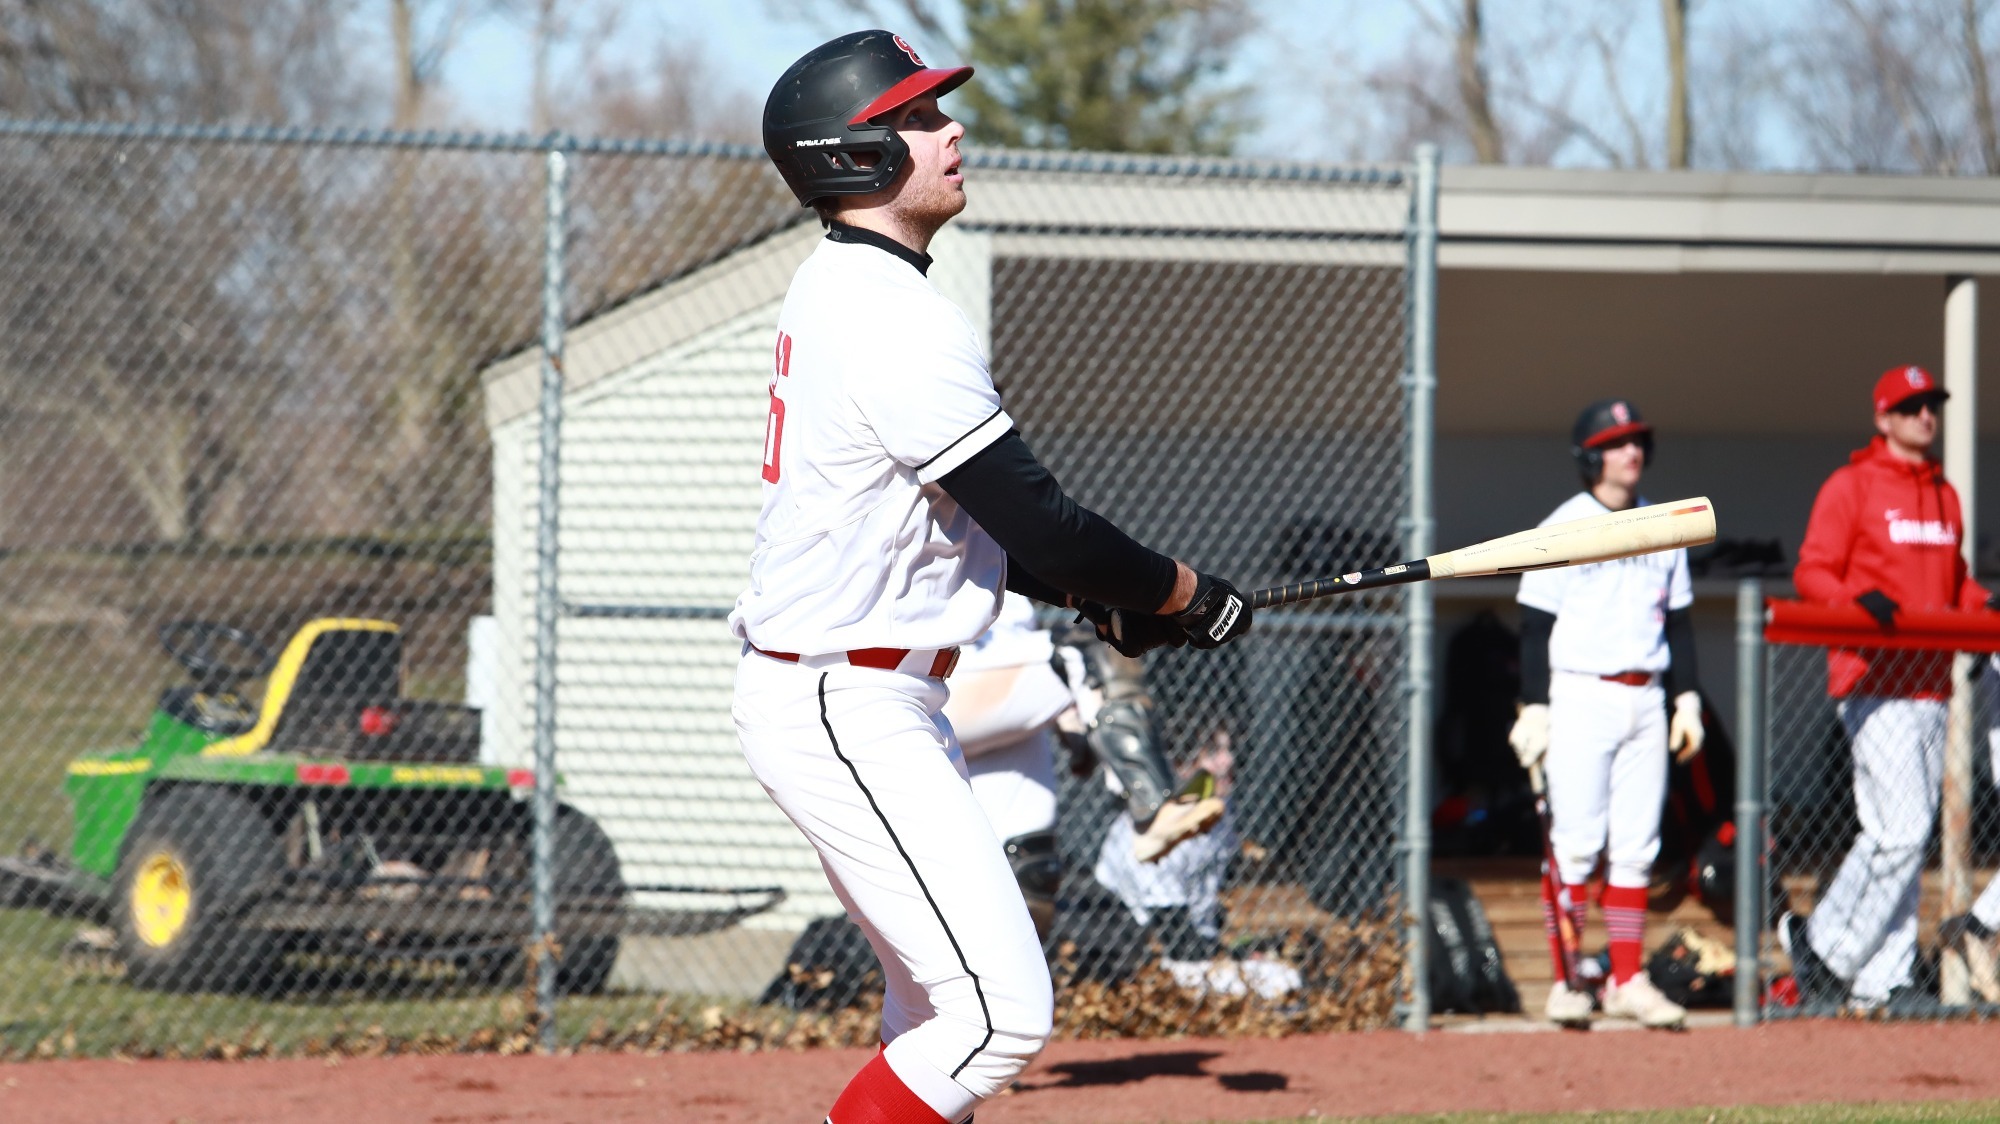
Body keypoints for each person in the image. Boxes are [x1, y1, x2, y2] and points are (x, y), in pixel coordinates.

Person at [734, 31, 1252, 1124]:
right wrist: (1177, 592)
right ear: (852, 155)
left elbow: (973, 533)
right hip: (843, 694)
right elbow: (1045, 522)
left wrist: (1106, 597)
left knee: (933, 1004)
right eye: (917, 120)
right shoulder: (891, 315)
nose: (950, 129)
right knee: (999, 1015)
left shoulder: (843, 286)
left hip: (861, 690)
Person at [1783, 365, 1992, 1011]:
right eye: (1909, 407)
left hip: (1933, 686)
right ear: (1883, 418)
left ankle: (1887, 977)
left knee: (1903, 834)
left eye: (1930, 406)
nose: (1923, 416)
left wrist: (1984, 616)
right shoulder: (1851, 486)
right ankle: (1824, 948)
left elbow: (1957, 583)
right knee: (1901, 831)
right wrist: (1853, 602)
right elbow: (1811, 571)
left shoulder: (1945, 495)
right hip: (1874, 681)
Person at [1507, 398, 1703, 1030]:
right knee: (1575, 843)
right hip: (1581, 694)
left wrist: (1687, 697)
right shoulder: (1563, 525)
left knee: (1637, 848)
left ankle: (1625, 978)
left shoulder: (1664, 522)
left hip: (1645, 694)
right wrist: (1535, 707)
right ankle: (1567, 980)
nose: (1632, 453)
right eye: (1618, 443)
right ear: (1590, 455)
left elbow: (1680, 620)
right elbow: (1534, 626)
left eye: (1637, 441)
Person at [945, 594, 1227, 939]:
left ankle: (981, 988)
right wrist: (1174, 594)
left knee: (1027, 872)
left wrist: (1075, 714)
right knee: (1084, 647)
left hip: (991, 698)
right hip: (929, 681)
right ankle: (1153, 808)